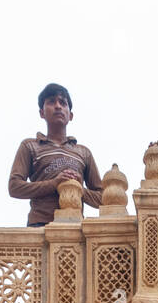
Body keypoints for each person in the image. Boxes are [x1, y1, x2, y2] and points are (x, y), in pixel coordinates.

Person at [9, 83, 103, 225]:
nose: (58, 106)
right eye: (51, 102)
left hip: (75, 227)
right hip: (39, 226)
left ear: (70, 115)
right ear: (42, 112)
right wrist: (54, 183)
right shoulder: (30, 146)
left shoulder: (83, 152)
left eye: (63, 103)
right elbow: (14, 187)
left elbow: (103, 198)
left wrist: (79, 189)